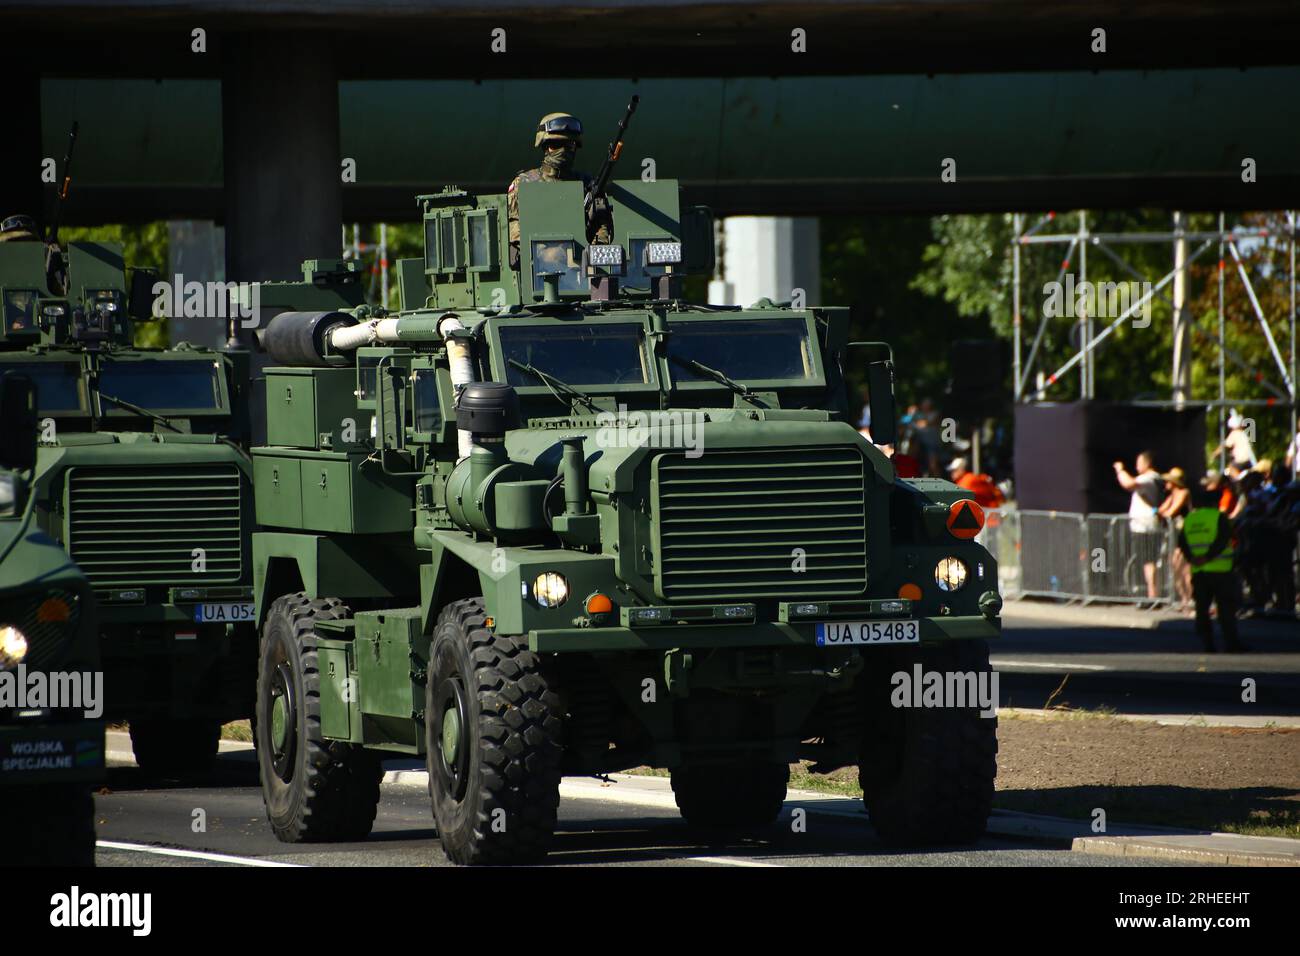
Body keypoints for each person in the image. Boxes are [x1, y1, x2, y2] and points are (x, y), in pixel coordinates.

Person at [506, 112, 613, 270]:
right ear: (544, 147)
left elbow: (602, 227)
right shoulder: (525, 184)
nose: (563, 151)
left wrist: (591, 256)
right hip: (538, 271)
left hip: (583, 272)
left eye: (569, 146)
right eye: (556, 145)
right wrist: (543, 253)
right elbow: (514, 229)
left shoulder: (587, 185)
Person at [1178, 484, 1247, 653]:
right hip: (1220, 571)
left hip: (1199, 571)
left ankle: (1207, 643)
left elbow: (1182, 543)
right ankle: (1231, 643)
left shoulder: (1190, 519)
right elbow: (1223, 540)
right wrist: (1208, 557)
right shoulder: (1218, 517)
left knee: (1202, 609)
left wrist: (1193, 558)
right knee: (1225, 608)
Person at [1114, 451, 1163, 600]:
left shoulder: (1150, 478)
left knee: (1149, 560)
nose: (1136, 467)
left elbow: (1128, 484)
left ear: (1147, 463)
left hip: (1145, 526)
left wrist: (1120, 470)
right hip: (1143, 525)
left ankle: (1152, 596)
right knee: (1146, 560)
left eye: (1138, 463)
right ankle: (1151, 595)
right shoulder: (1151, 479)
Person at [1158, 467, 1193, 611]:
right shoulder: (1172, 495)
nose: (1166, 484)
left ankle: (1191, 599)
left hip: (1187, 534)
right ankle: (1184, 598)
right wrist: (1161, 512)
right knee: (1175, 566)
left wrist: (1163, 513)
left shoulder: (1184, 493)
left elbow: (1172, 511)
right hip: (1176, 534)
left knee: (1185, 569)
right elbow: (1161, 510)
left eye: (1168, 481)